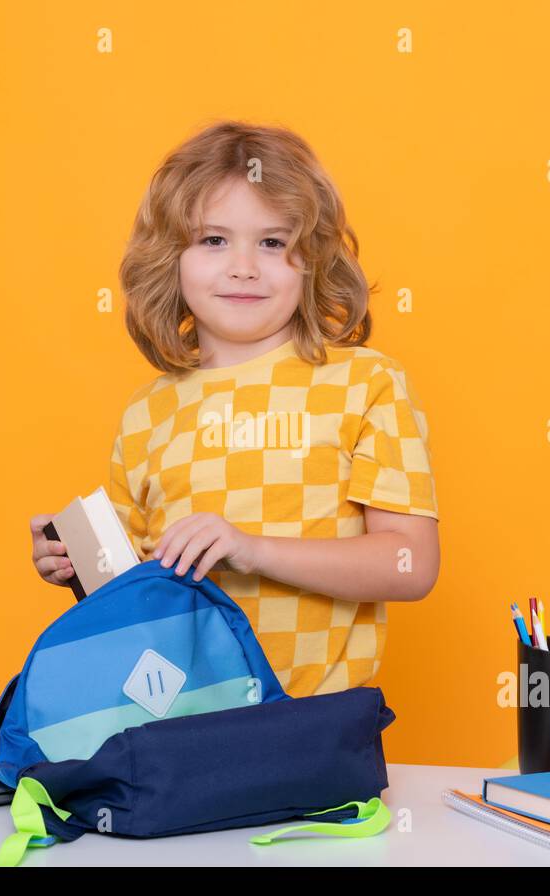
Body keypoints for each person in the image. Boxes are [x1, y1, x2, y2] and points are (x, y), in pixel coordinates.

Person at [33, 120, 439, 698]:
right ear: (170, 258)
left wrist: (252, 550)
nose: (244, 266)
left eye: (273, 242)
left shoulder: (366, 383)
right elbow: (133, 594)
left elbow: (411, 564)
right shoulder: (148, 411)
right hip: (178, 729)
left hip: (315, 728)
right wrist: (75, 562)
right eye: (213, 240)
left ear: (312, 260)